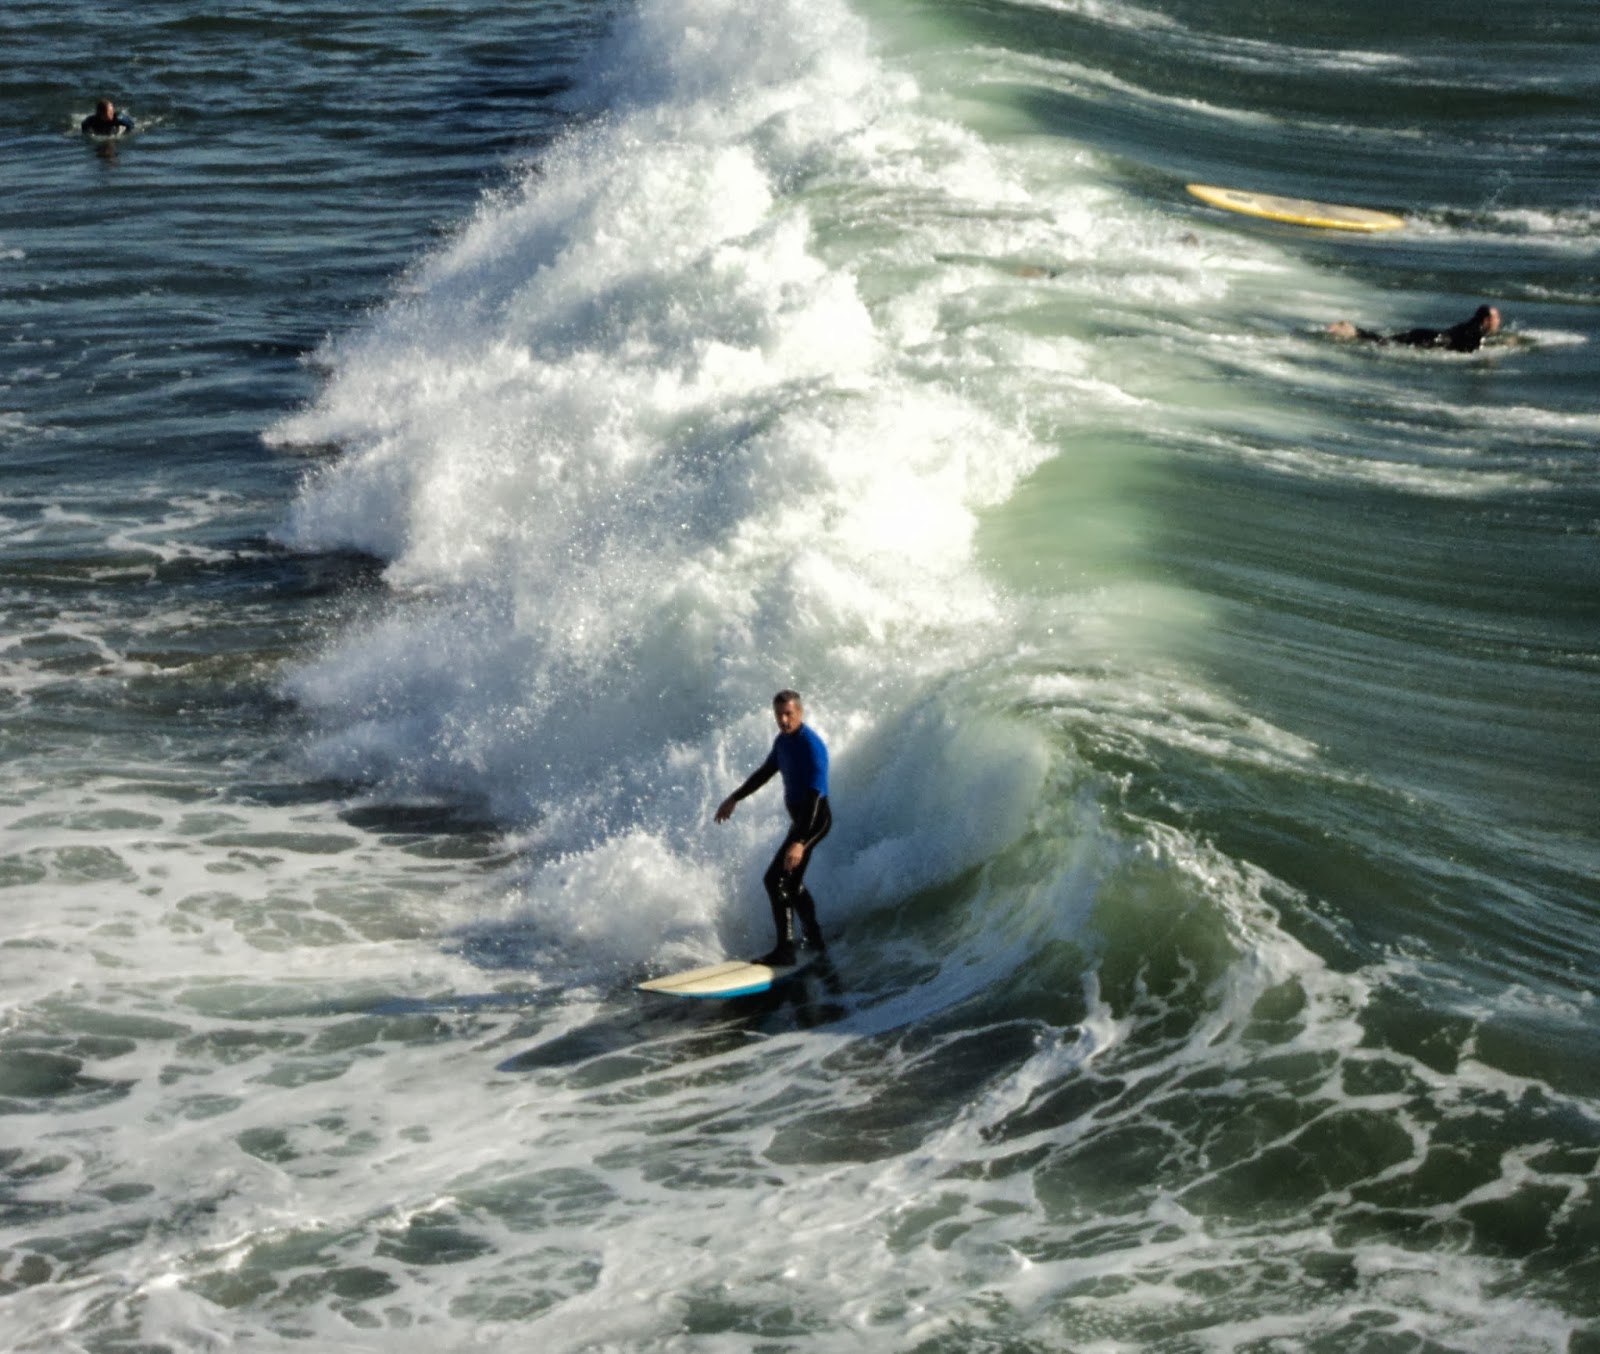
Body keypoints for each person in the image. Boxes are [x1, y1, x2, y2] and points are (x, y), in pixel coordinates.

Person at [715, 690, 831, 966]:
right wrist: (735, 798)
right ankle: (814, 940)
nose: (783, 719)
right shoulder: (782, 742)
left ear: (800, 713)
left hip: (813, 822)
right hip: (800, 823)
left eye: (789, 713)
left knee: (774, 880)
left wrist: (800, 841)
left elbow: (814, 799)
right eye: (779, 714)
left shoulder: (812, 747)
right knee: (791, 882)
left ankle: (786, 951)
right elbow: (765, 772)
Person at [1327, 304, 1501, 353]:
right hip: (1429, 339)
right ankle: (1352, 331)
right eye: (1496, 318)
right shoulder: (1475, 332)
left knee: (1386, 341)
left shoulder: (1472, 328)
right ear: (1486, 320)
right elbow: (1472, 352)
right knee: (1384, 343)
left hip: (1427, 334)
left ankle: (1354, 331)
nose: (1499, 321)